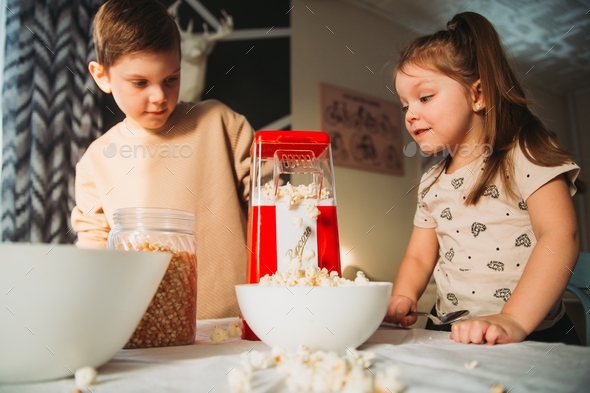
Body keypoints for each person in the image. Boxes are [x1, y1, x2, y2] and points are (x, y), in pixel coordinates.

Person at [384, 11, 585, 345]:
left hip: (531, 334)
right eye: (404, 105)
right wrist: (402, 297)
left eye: (424, 97)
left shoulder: (525, 151)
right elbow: (419, 256)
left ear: (478, 95)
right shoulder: (432, 180)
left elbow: (560, 235)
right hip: (450, 331)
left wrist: (513, 320)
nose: (410, 114)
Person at [70, 0, 253, 319]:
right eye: (140, 83)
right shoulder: (95, 162)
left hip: (237, 325)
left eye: (171, 79)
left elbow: (272, 212)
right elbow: (94, 258)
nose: (159, 96)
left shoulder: (221, 124)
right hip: (145, 332)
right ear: (102, 75)